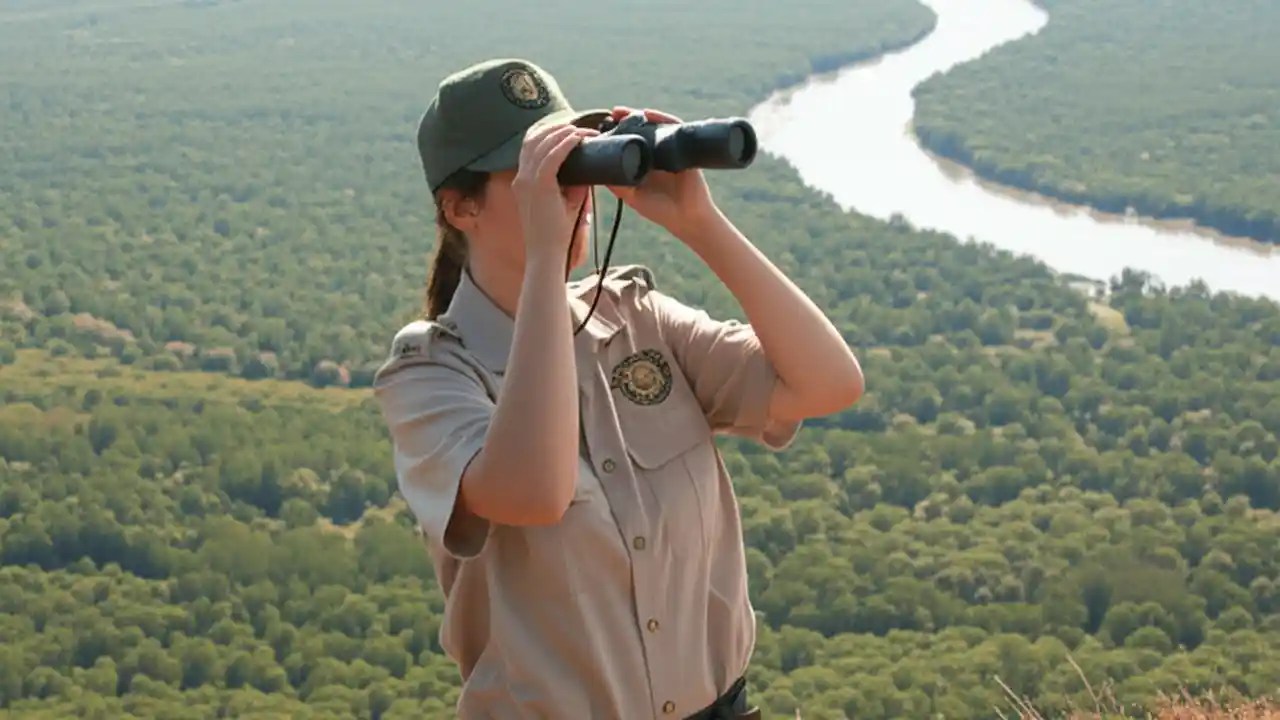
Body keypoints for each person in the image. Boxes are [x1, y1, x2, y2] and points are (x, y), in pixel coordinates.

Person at [373, 57, 865, 720]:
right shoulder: (430, 375)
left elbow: (829, 383)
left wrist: (700, 224)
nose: (572, 194)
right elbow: (535, 491)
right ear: (460, 206)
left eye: (578, 166)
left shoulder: (639, 320)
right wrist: (548, 260)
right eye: (537, 176)